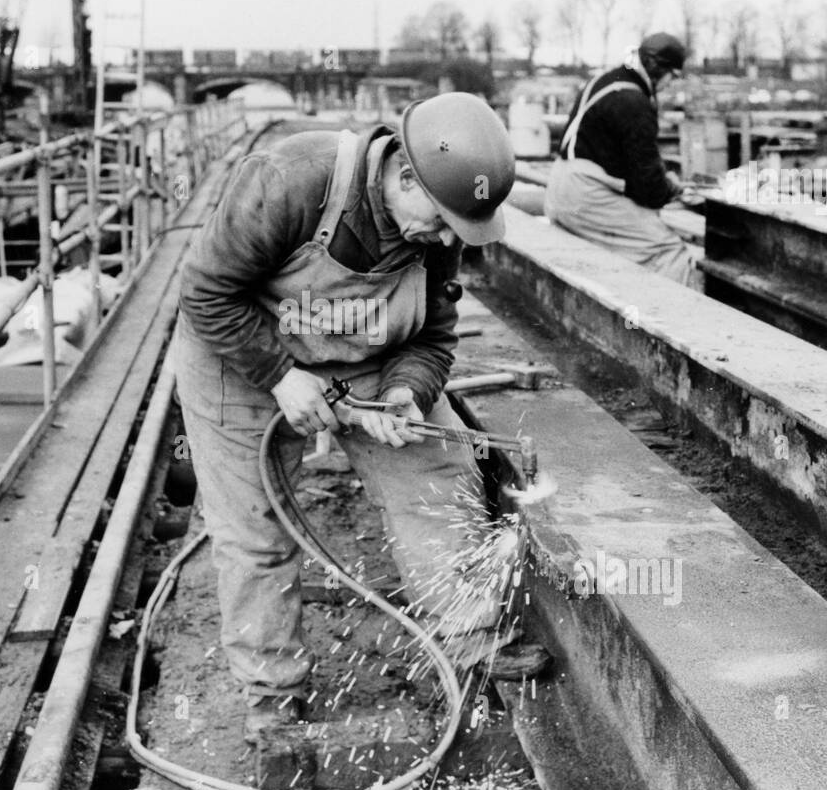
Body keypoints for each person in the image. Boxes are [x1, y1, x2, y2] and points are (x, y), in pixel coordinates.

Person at [174, 92, 551, 740]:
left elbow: (432, 337)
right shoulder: (291, 179)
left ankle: (467, 635)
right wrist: (279, 376)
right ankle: (274, 697)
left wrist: (406, 391)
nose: (444, 240)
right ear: (407, 176)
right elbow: (205, 291)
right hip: (241, 355)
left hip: (360, 355)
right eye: (439, 224)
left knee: (439, 468)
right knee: (256, 532)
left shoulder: (437, 229)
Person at [545, 32, 701, 287]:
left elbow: (617, 157)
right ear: (655, 67)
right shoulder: (634, 101)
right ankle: (663, 321)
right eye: (672, 75)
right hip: (585, 196)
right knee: (668, 250)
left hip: (560, 187)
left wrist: (659, 179)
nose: (671, 84)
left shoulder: (606, 80)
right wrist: (669, 187)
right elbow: (648, 188)